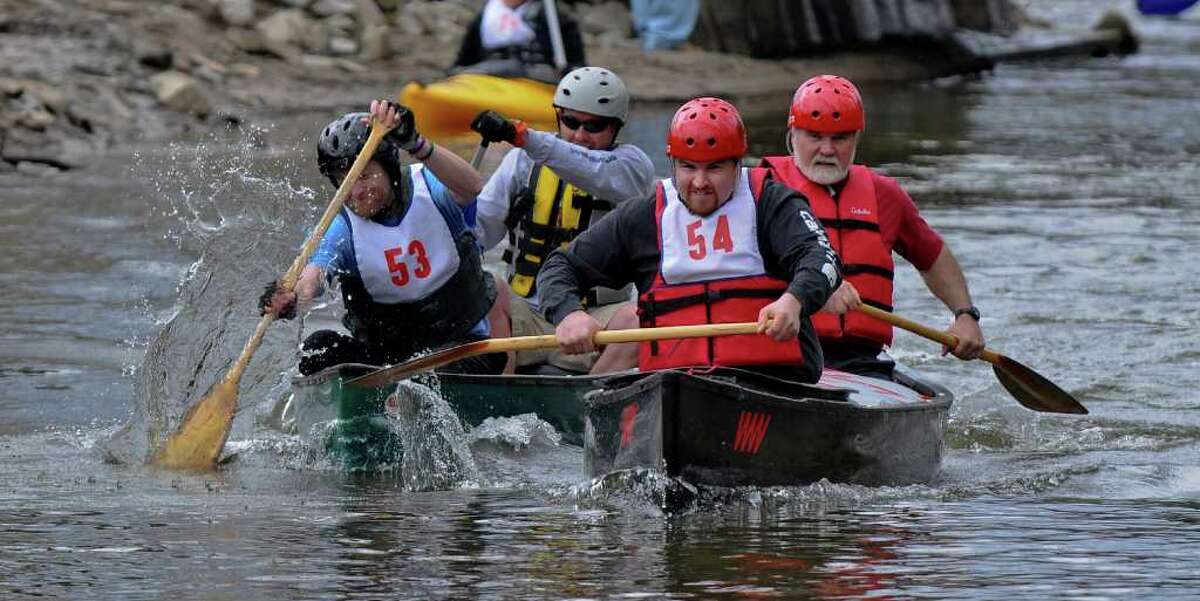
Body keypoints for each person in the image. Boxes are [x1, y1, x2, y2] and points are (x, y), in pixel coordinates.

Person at [537, 97, 841, 383]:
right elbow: (561, 266)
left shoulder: (772, 203)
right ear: (672, 164)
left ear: (738, 163)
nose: (699, 183)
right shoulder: (643, 216)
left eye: (715, 168)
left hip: (773, 380)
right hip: (674, 382)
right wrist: (569, 313)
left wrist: (794, 300)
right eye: (688, 167)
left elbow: (822, 258)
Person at [760, 75, 985, 380]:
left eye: (839, 138)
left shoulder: (885, 195)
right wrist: (812, 290)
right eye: (814, 136)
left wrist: (965, 315)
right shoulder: (760, 188)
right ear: (793, 133)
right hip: (779, 352)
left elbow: (932, 255)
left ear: (856, 138)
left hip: (859, 360)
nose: (827, 149)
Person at [259, 100, 506, 376]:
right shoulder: (340, 228)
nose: (357, 192)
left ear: (388, 168)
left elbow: (472, 186)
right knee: (317, 348)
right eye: (345, 182)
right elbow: (312, 277)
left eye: (364, 176)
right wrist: (290, 297)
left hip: (460, 350)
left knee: (433, 377)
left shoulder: (431, 187)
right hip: (389, 360)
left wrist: (416, 144)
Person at [469, 66, 656, 375]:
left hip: (595, 320)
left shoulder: (632, 169)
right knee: (486, 286)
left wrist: (522, 136)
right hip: (525, 315)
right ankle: (501, 386)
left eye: (595, 126)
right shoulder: (521, 160)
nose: (580, 136)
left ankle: (592, 401)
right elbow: (478, 232)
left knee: (640, 318)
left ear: (616, 127)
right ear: (558, 117)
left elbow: (587, 167)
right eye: (570, 122)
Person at [452, 0, 586, 83]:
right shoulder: (484, 15)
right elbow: (464, 59)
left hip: (536, 77)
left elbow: (574, 60)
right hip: (488, 78)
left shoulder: (552, 15)